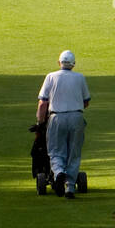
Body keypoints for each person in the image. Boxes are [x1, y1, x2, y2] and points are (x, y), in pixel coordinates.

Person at [37, 49, 90, 197]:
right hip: (77, 117)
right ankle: (70, 187)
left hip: (57, 117)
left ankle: (59, 172)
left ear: (59, 62)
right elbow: (86, 102)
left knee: (55, 150)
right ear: (73, 64)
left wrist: (40, 121)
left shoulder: (51, 77)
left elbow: (43, 103)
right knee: (74, 152)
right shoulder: (80, 77)